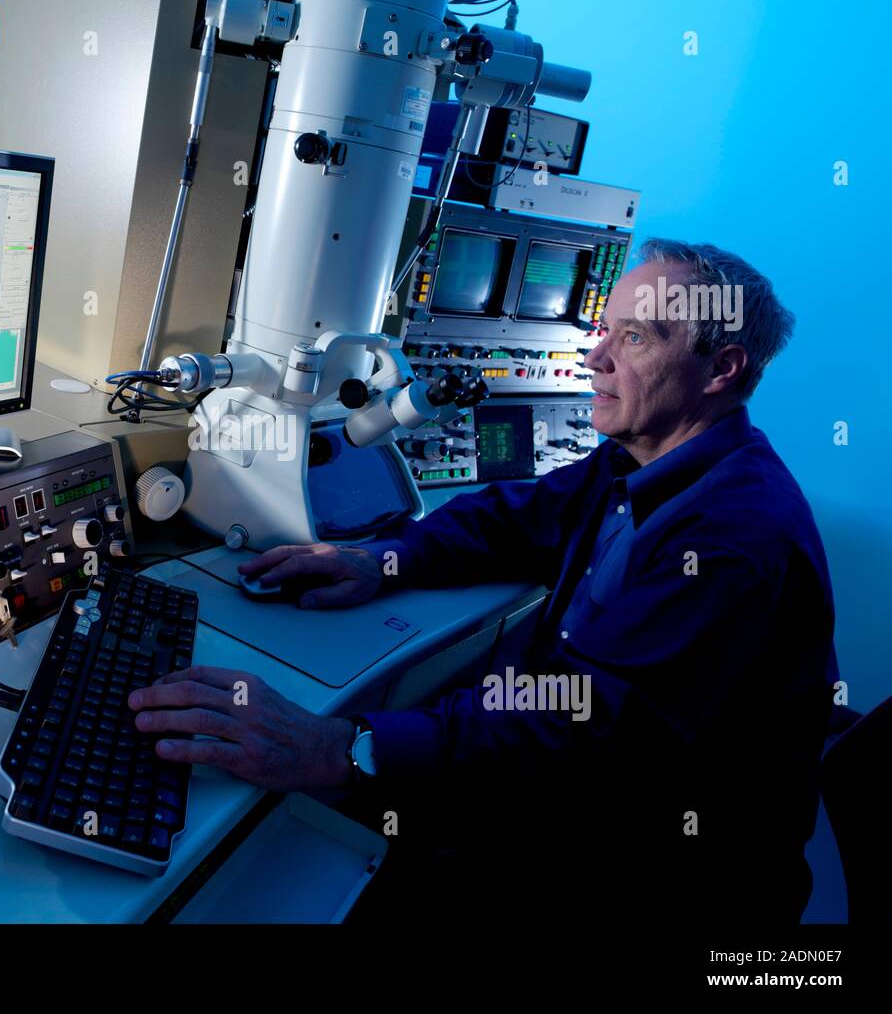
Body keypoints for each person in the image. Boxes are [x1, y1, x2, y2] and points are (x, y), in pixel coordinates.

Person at [128, 239, 837, 923]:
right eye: (604, 332)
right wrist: (382, 561)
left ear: (721, 369)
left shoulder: (730, 541)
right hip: (583, 805)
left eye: (637, 339)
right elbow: (516, 517)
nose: (596, 359)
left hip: (655, 880)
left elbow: (577, 732)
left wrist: (338, 746)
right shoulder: (644, 461)